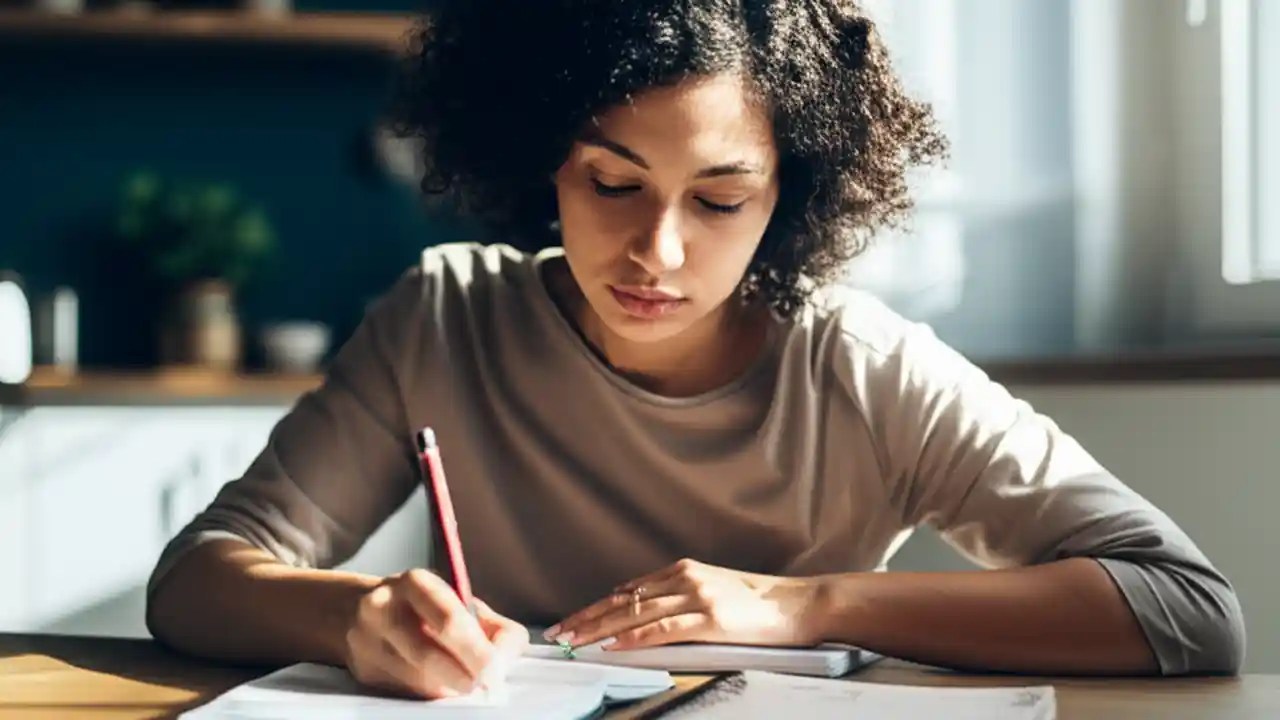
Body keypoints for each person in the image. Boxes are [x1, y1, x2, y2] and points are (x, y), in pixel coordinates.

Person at [145, 0, 1245, 700]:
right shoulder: (445, 319)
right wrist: (354, 616)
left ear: (789, 200)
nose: (654, 252)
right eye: (611, 184)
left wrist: (802, 605)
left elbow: (1185, 608)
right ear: (541, 166)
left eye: (720, 200)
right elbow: (195, 581)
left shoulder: (852, 366)